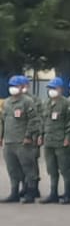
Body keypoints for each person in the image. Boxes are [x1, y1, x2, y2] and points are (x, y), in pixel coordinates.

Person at [2, 75, 41, 203]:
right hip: (9, 141)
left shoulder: (27, 101)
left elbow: (34, 120)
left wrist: (28, 136)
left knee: (28, 167)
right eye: (11, 86)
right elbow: (2, 121)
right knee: (12, 168)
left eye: (16, 86)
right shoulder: (7, 102)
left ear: (22, 87)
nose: (13, 88)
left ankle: (30, 191)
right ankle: (14, 192)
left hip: (22, 141)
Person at [39, 77, 70, 204]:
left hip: (60, 141)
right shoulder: (46, 103)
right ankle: (53, 193)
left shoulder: (65, 103)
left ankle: (67, 193)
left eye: (53, 88)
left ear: (60, 89)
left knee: (64, 169)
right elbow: (43, 121)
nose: (51, 91)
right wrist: (41, 135)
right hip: (49, 140)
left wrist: (67, 138)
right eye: (49, 88)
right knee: (51, 169)